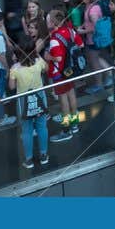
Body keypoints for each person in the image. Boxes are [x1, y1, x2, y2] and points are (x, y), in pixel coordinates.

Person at [9, 45, 50, 169]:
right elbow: (46, 69)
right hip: (40, 98)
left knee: (27, 130)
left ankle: (29, 159)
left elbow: (11, 86)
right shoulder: (38, 62)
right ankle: (43, 155)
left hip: (23, 101)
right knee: (42, 126)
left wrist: (13, 67)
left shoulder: (15, 68)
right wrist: (38, 57)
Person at [43, 8, 81, 141]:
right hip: (70, 70)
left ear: (53, 22)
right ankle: (75, 124)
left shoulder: (54, 39)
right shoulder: (71, 31)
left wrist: (48, 57)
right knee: (72, 95)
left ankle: (66, 130)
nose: (45, 21)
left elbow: (58, 58)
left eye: (47, 19)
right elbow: (80, 45)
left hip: (59, 73)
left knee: (63, 100)